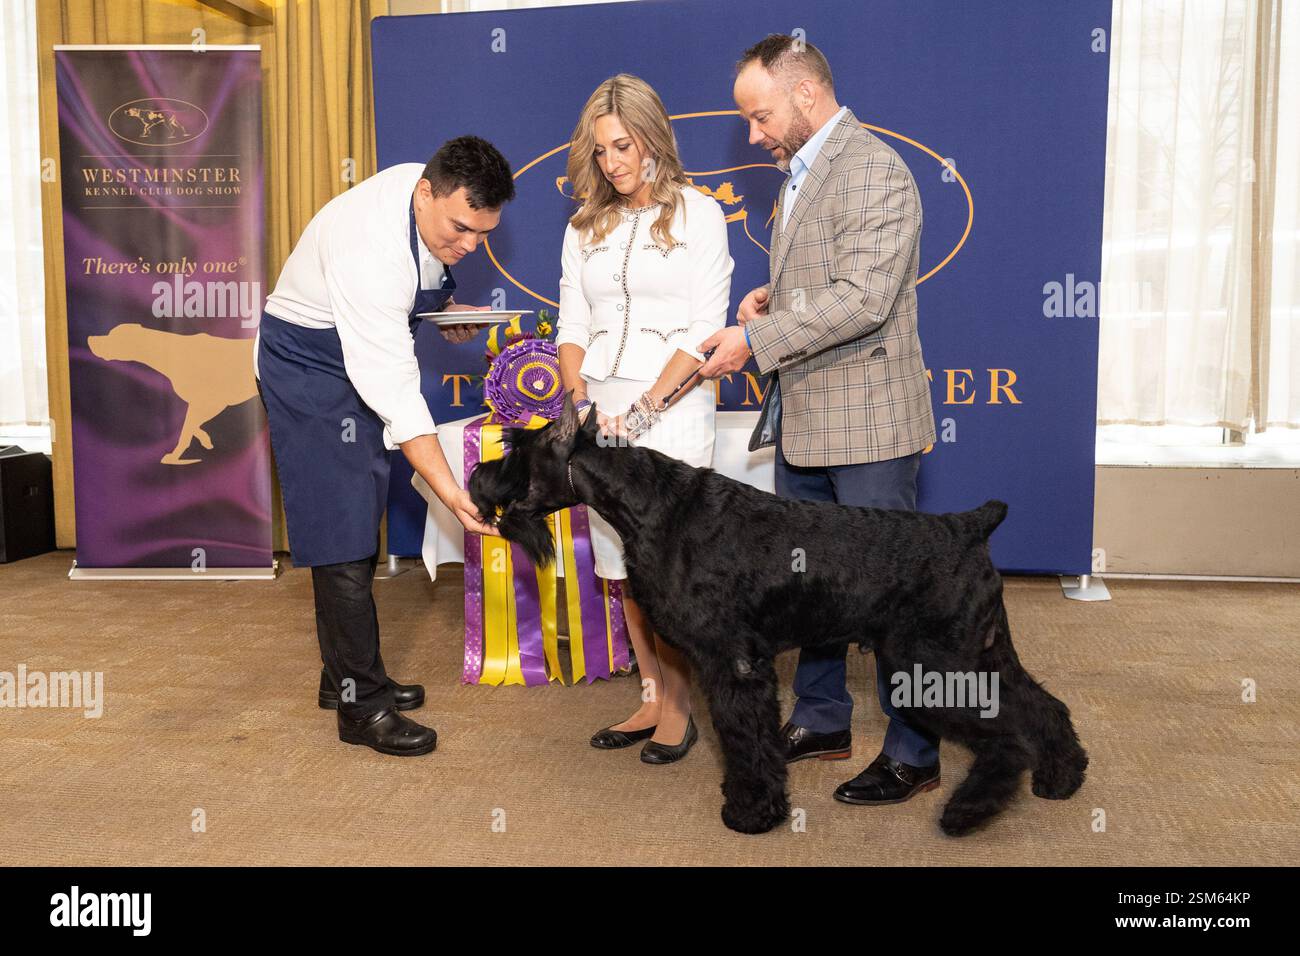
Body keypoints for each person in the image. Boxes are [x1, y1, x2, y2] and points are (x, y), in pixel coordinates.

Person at [700, 36, 941, 805]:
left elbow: (866, 298)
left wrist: (756, 339)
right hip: (804, 418)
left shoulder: (875, 169)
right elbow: (826, 284)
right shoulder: (798, 171)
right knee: (810, 589)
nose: (752, 133)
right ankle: (823, 717)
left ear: (805, 95)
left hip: (868, 423)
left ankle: (915, 751)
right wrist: (772, 299)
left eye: (759, 114)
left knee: (892, 598)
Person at [255, 137, 511, 757]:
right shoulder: (371, 250)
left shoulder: (418, 192)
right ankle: (360, 708)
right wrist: (451, 491)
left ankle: (341, 675)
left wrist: (446, 307)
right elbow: (395, 388)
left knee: (354, 515)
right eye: (459, 228)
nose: (469, 246)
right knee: (339, 534)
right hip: (307, 369)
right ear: (427, 192)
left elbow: (417, 283)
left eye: (482, 233)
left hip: (349, 354)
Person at [557, 74, 734, 763]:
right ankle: (652, 693)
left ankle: (683, 709)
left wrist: (647, 409)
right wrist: (580, 401)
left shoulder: (699, 214)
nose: (613, 163)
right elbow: (573, 318)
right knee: (623, 564)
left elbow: (701, 329)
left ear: (653, 140)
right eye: (601, 151)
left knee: (671, 567)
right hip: (600, 409)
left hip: (673, 410)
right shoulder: (584, 226)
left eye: (623, 146)